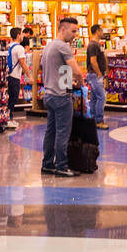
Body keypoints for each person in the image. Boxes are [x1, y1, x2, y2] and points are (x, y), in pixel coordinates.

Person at [40, 16, 83, 178]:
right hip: (61, 96)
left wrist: (68, 80)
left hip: (49, 94)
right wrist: (80, 82)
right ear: (63, 29)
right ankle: (62, 166)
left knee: (51, 131)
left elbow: (58, 70)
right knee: (63, 132)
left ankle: (48, 163)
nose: (75, 35)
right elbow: (77, 71)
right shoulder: (64, 47)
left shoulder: (49, 45)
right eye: (73, 31)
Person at [6, 26, 31, 130]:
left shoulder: (9, 46)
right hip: (15, 76)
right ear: (18, 35)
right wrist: (29, 76)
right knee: (13, 98)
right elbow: (23, 63)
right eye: (21, 34)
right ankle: (9, 119)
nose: (22, 36)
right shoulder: (19, 48)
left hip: (8, 75)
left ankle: (9, 118)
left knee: (9, 98)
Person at [85, 23, 108, 130]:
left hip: (95, 74)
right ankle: (99, 120)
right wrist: (99, 73)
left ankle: (93, 119)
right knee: (101, 97)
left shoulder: (96, 44)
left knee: (94, 98)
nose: (102, 32)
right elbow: (93, 61)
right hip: (95, 75)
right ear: (97, 31)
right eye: (101, 30)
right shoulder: (93, 45)